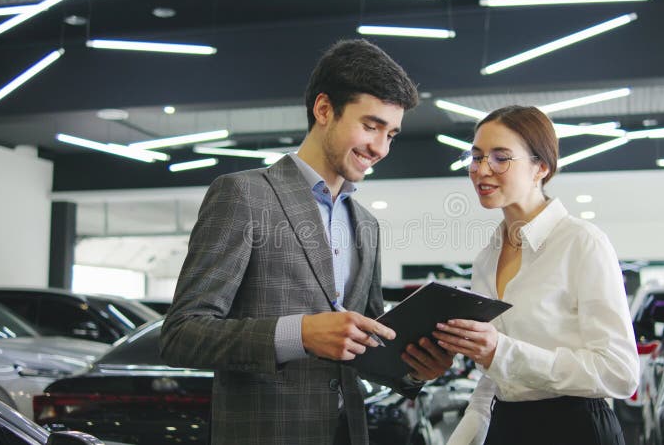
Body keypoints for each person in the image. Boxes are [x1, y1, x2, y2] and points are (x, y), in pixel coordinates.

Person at [160, 39, 453, 445]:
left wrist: (416, 367)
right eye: (370, 126)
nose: (380, 148)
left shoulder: (366, 224)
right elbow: (181, 335)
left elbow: (368, 348)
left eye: (391, 134)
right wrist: (299, 334)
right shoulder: (243, 196)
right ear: (324, 110)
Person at [435, 106, 640, 445]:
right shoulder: (486, 259)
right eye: (476, 156)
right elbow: (497, 380)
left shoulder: (581, 243)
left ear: (540, 168)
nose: (481, 169)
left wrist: (502, 352)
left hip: (576, 428)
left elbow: (620, 372)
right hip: (508, 425)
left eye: (501, 158)